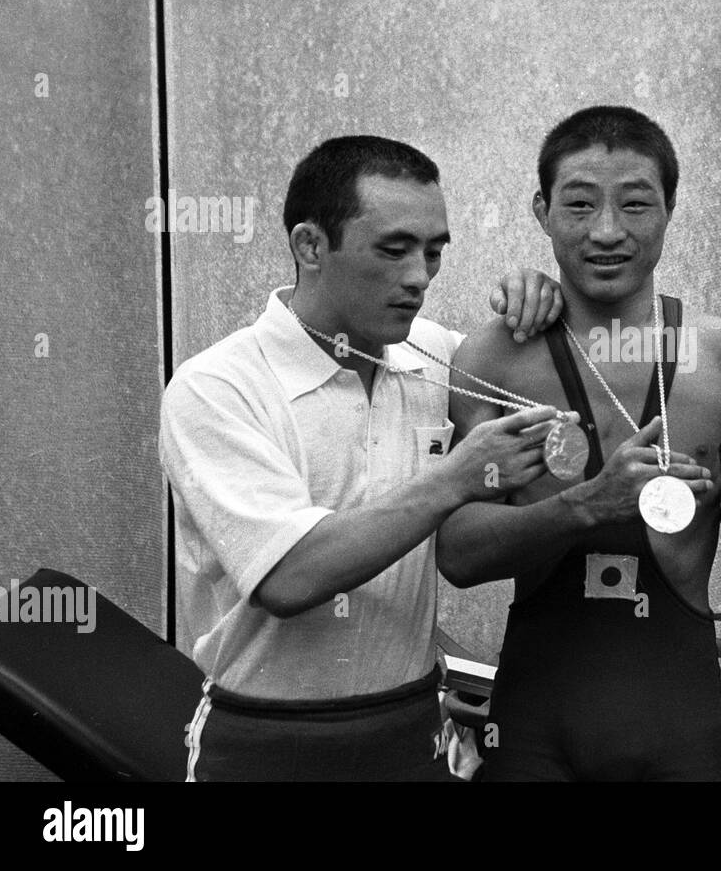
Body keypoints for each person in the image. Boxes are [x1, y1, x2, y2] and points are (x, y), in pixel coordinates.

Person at [160, 135, 566, 781]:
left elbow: (548, 388)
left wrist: (541, 299)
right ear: (310, 246)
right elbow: (289, 579)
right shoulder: (218, 388)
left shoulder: (436, 357)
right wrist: (456, 478)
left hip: (409, 730)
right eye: (393, 248)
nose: (419, 278)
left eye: (433, 252)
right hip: (263, 741)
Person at [436, 106, 721, 781]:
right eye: (579, 205)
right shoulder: (493, 359)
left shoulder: (717, 355)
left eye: (635, 205)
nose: (607, 231)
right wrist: (585, 504)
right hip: (536, 722)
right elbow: (456, 555)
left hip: (678, 716)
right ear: (541, 211)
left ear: (670, 209)